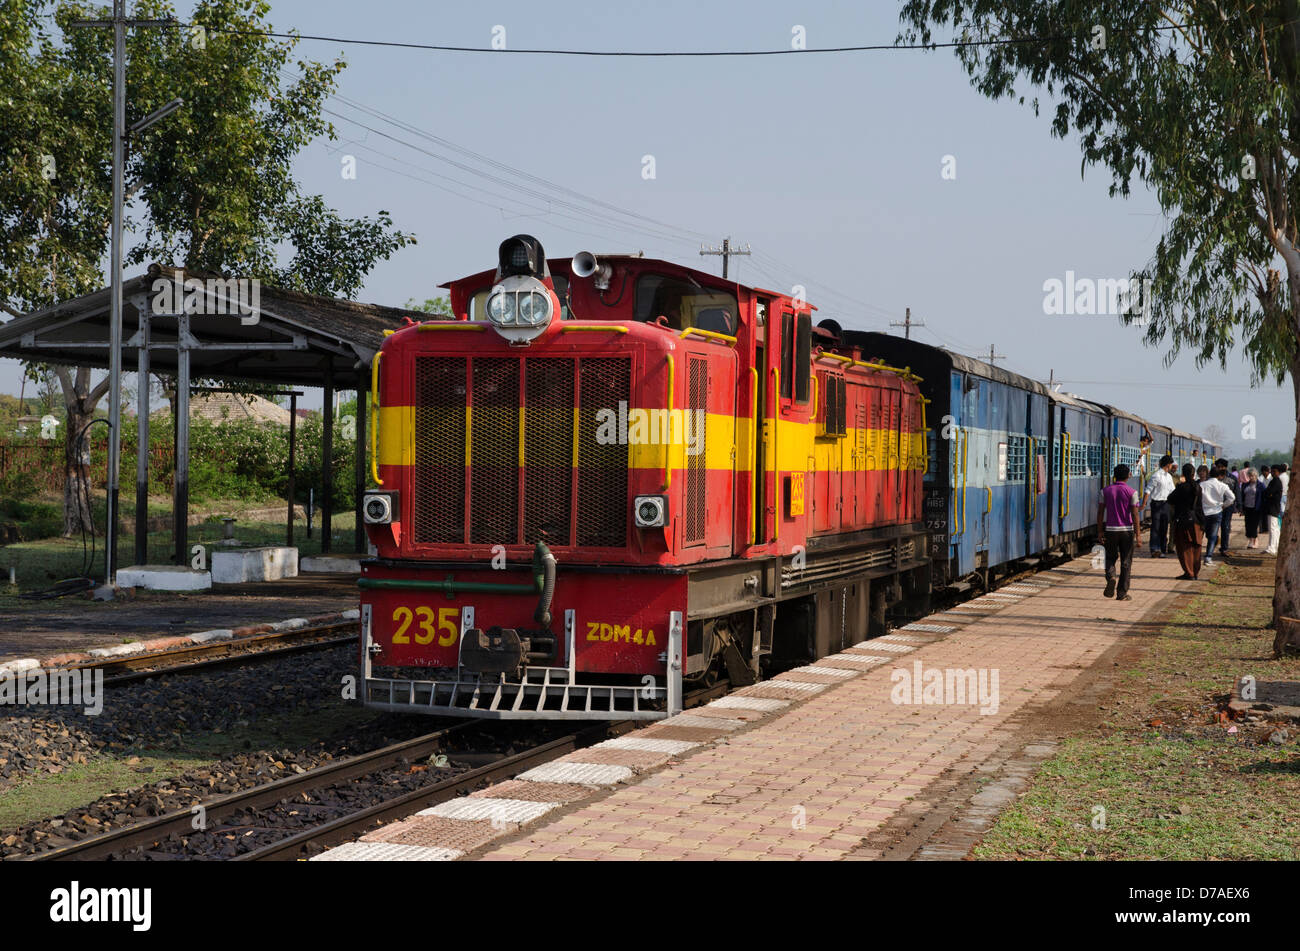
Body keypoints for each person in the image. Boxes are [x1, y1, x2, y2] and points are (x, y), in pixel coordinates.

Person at [1098, 463, 1141, 601]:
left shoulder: (1104, 491)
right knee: (1126, 562)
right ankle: (1122, 593)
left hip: (1110, 530)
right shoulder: (1132, 492)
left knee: (1110, 557)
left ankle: (1111, 576)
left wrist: (1100, 531)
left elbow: (1100, 513)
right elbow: (1135, 515)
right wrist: (1138, 535)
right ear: (1128, 475)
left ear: (1114, 475)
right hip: (1127, 531)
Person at [1170, 463, 1203, 579]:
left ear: (1183, 474)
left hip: (1183, 520)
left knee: (1184, 547)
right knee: (1196, 547)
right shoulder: (1198, 487)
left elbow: (1170, 499)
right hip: (1197, 521)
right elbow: (1200, 506)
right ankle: (1195, 572)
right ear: (1194, 474)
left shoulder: (1181, 487)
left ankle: (1189, 572)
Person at [1199, 465, 1236, 566]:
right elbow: (1232, 497)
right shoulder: (1222, 485)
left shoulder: (1202, 484)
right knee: (1213, 536)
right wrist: (1224, 505)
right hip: (1217, 512)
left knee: (1203, 534)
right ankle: (1208, 557)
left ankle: (1197, 554)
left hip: (1204, 512)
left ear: (1209, 474)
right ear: (1219, 476)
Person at [1142, 454, 1176, 558]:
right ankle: (1154, 549)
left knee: (1164, 527)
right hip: (1156, 504)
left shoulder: (1169, 476)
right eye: (1171, 464)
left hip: (1166, 504)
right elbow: (1148, 490)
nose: (1172, 466)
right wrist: (1144, 503)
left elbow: (1172, 491)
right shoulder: (1156, 476)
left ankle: (1162, 549)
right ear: (1168, 464)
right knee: (1156, 527)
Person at [1213, 458, 1239, 556]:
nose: (1219, 468)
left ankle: (1224, 548)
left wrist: (1239, 506)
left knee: (1225, 526)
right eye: (1218, 467)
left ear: (1225, 467)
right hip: (1215, 506)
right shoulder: (1213, 478)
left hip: (1228, 507)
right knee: (1213, 527)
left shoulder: (1232, 478)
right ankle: (1214, 540)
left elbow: (1237, 492)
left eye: (1221, 467)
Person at [1241, 468, 1265, 548]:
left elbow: (1264, 497)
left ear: (1256, 476)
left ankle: (1254, 541)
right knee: (1248, 525)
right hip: (1247, 507)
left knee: (1254, 525)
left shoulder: (1260, 485)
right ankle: (1250, 540)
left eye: (1252, 476)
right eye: (1249, 476)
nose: (1251, 477)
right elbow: (1242, 496)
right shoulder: (1245, 485)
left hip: (1256, 508)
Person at [1265, 465, 1284, 555]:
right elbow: (1268, 492)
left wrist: (1269, 494)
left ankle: (1272, 548)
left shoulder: (1276, 481)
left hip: (1273, 507)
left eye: (1274, 471)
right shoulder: (1274, 481)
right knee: (1275, 528)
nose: (1272, 473)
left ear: (1278, 472)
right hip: (1274, 506)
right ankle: (1274, 546)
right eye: (1271, 471)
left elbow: (1268, 492)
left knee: (1273, 528)